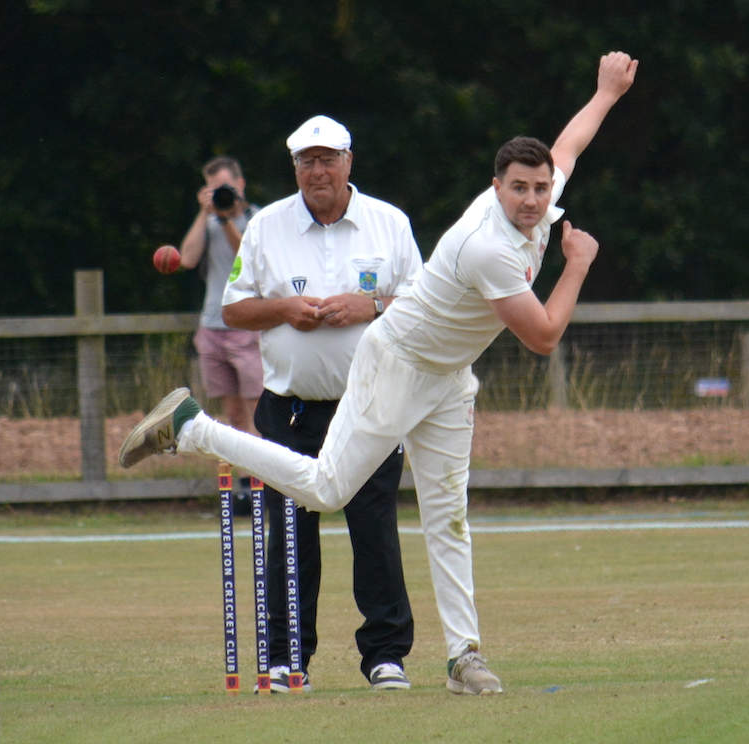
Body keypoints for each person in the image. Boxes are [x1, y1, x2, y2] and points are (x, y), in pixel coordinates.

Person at [120, 52, 639, 694]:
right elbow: (543, 336)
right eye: (520, 190)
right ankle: (192, 428)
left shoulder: (536, 192)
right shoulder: (487, 246)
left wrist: (605, 92)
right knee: (326, 489)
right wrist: (579, 263)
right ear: (495, 187)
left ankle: (463, 657)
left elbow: (569, 144)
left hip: (449, 377)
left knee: (449, 512)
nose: (533, 200)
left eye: (541, 189)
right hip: (396, 360)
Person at [219, 115, 424, 693]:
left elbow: (427, 302)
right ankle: (287, 658)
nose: (318, 171)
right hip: (291, 409)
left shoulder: (389, 223)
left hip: (372, 407)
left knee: (374, 531)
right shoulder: (265, 226)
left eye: (328, 158)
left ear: (349, 162)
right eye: (307, 161)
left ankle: (386, 655)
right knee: (288, 533)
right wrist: (284, 309)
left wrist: (372, 307)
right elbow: (234, 309)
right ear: (295, 168)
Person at [177, 156, 265, 506]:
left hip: (247, 327)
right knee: (234, 415)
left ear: (241, 184)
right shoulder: (209, 221)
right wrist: (205, 213)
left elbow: (247, 256)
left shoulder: (258, 219)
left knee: (258, 412)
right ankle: (244, 488)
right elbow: (186, 259)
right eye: (214, 189)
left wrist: (228, 219)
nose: (222, 194)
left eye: (226, 187)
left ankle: (265, 484)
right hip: (213, 326)